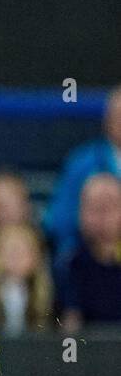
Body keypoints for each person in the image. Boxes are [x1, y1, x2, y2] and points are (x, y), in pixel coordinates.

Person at [46, 85, 121, 257]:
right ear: (107, 120)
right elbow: (59, 218)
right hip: (87, 259)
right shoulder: (82, 162)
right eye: (118, 116)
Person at [59, 173, 121, 330]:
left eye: (110, 206)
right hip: (88, 351)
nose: (103, 216)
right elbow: (70, 329)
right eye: (94, 208)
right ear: (81, 212)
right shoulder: (69, 264)